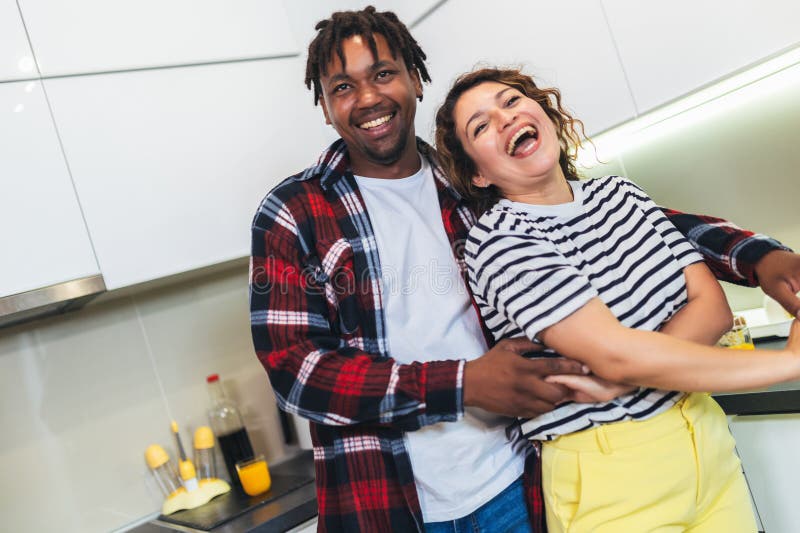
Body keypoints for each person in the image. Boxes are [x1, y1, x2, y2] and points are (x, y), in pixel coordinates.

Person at [249, 6, 800, 532]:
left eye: (384, 73)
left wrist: (759, 257)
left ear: (416, 79)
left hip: (518, 475)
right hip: (392, 500)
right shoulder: (294, 212)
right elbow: (297, 371)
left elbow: (629, 222)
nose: (368, 97)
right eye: (342, 87)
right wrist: (462, 385)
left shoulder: (470, 179)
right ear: (324, 106)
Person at [433, 66, 800, 532]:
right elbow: (617, 354)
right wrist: (790, 361)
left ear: (542, 112)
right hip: (611, 474)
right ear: (478, 175)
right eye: (480, 126)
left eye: (510, 102)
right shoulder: (499, 241)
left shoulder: (620, 194)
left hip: (700, 430)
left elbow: (712, 307)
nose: (504, 119)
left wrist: (625, 376)